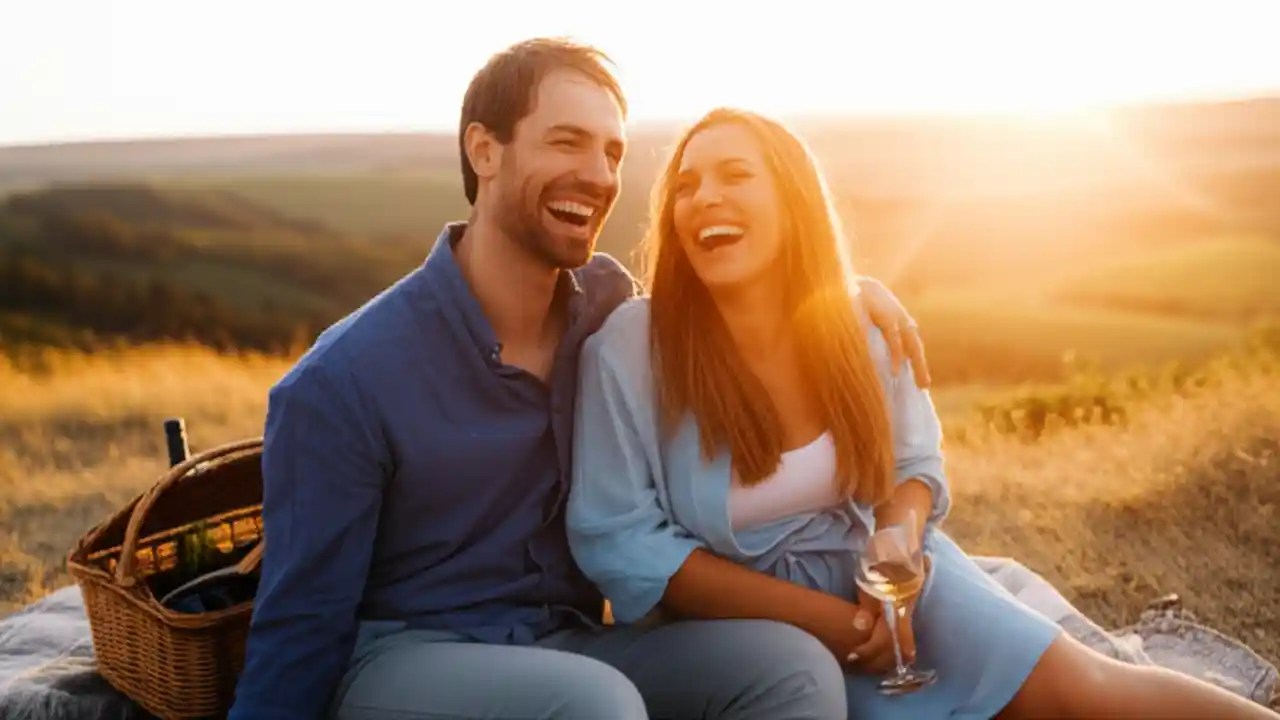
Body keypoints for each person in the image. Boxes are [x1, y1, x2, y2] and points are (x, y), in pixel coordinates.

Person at [228, 39, 930, 720]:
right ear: (484, 151)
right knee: (595, 704)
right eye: (567, 142)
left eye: (613, 151)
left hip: (571, 639)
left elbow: (721, 311)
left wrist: (841, 296)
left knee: (791, 667)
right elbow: (300, 619)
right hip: (405, 658)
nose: (599, 174)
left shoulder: (605, 308)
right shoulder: (344, 378)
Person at [566, 106, 1280, 720]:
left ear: (793, 202)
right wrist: (831, 619)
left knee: (1082, 689)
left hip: (890, 588)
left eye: (735, 176)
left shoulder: (857, 326)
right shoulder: (630, 350)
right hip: (753, 626)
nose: (704, 198)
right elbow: (622, 544)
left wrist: (898, 538)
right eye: (685, 186)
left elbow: (913, 467)